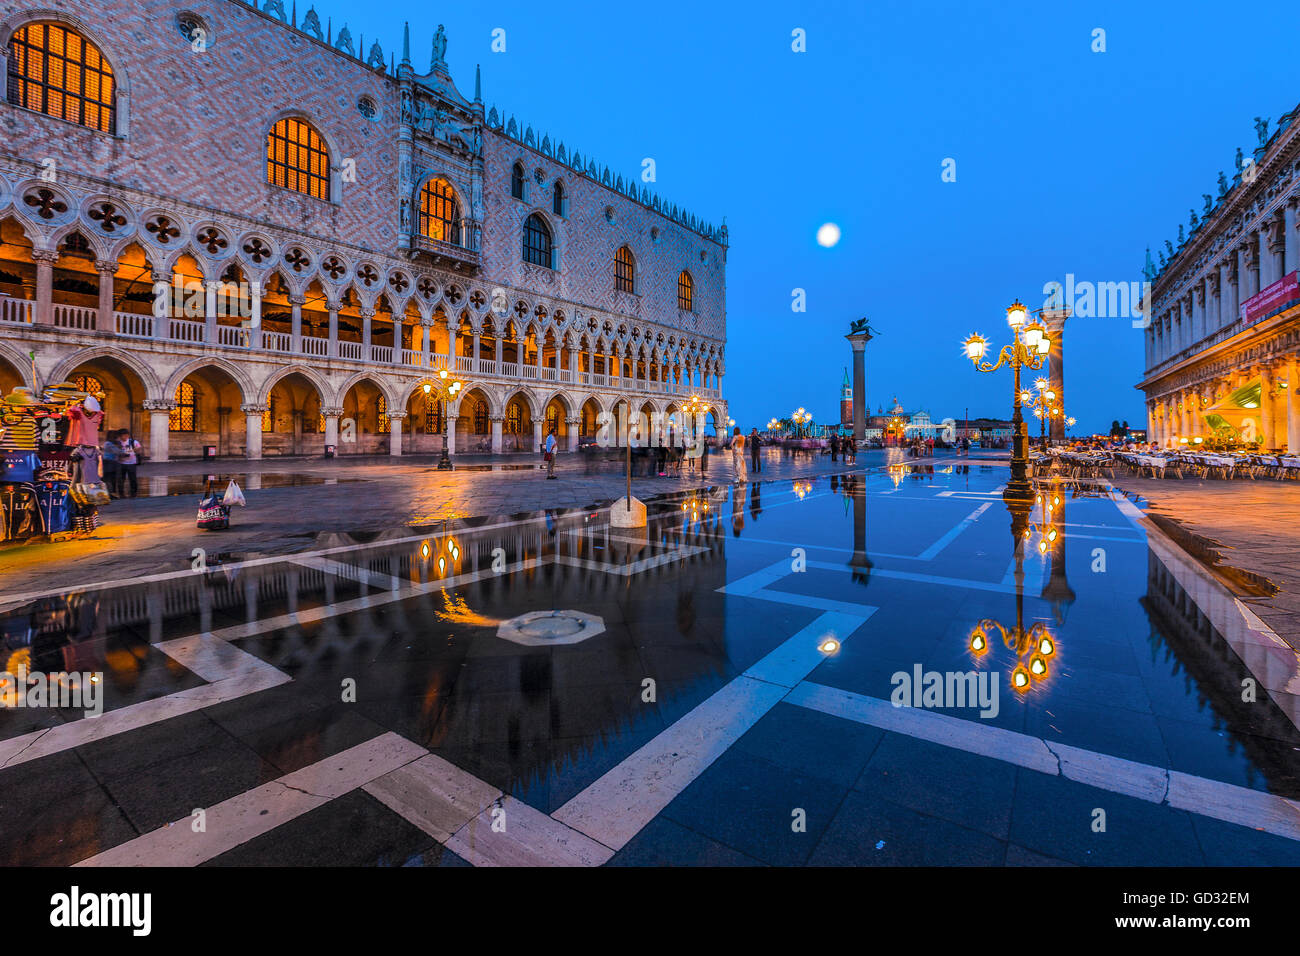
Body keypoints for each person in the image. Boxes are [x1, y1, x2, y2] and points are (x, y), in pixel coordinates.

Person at [117, 427, 142, 497]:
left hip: (132, 463)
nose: (125, 437)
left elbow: (139, 448)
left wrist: (132, 450)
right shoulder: (118, 442)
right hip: (121, 463)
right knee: (121, 479)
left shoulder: (133, 442)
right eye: (123, 435)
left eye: (126, 435)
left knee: (133, 478)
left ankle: (134, 492)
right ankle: (121, 492)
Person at [102, 430, 122, 499]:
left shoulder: (110, 443)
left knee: (112, 479)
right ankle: (110, 494)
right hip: (109, 463)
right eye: (116, 436)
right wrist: (125, 453)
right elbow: (117, 451)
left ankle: (112, 493)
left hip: (112, 462)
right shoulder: (108, 444)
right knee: (109, 479)